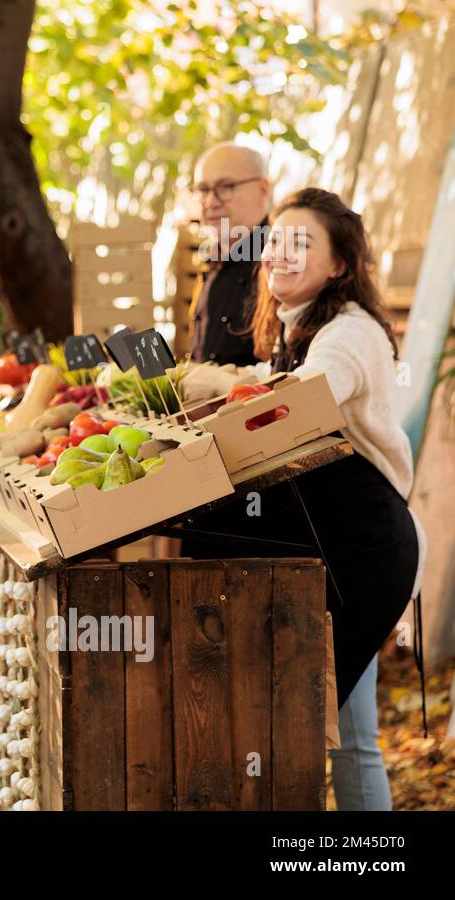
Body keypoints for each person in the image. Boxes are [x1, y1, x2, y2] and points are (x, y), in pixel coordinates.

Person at [180, 187, 419, 810]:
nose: (280, 254)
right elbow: (269, 383)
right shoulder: (301, 330)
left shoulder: (346, 336)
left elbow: (303, 399)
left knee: (306, 731)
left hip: (363, 550)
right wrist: (204, 383)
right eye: (275, 242)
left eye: (301, 243)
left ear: (340, 265)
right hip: (334, 545)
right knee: (351, 737)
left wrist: (222, 410)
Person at [187, 143, 272, 366]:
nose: (211, 202)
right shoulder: (213, 258)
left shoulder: (280, 259)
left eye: (225, 187)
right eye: (203, 190)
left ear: (262, 189)